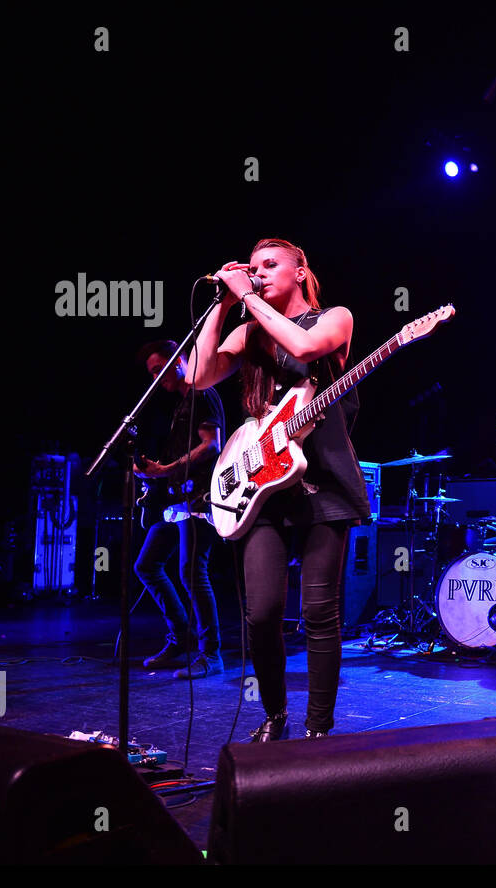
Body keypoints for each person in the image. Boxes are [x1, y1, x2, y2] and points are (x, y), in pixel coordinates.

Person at [187, 238, 370, 741]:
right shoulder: (249, 330)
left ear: (300, 270)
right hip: (260, 482)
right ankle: (274, 714)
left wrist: (248, 297)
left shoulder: (335, 317)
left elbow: (305, 348)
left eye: (270, 266)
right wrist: (224, 305)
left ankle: (318, 728)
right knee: (263, 612)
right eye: (253, 268)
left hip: (322, 479)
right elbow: (199, 376)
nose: (259, 274)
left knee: (318, 611)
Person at [133, 340, 224, 679]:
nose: (157, 378)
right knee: (148, 564)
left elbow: (212, 445)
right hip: (177, 500)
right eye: (152, 373)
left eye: (160, 369)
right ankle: (181, 636)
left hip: (201, 498)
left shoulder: (202, 393)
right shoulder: (180, 404)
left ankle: (211, 654)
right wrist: (153, 472)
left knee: (191, 571)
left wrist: (166, 468)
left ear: (180, 360)